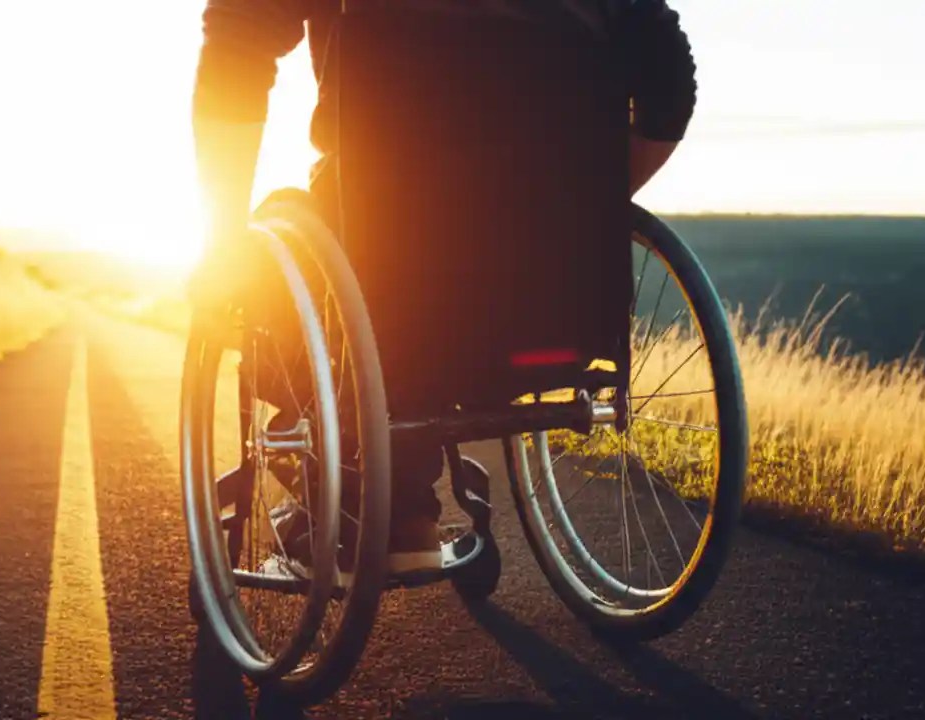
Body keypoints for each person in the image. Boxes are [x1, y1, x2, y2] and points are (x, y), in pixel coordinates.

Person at [191, 0, 698, 575]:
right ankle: (394, 492)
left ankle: (374, 496)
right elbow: (671, 83)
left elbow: (238, 34)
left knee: (282, 235)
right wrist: (582, 208)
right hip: (546, 306)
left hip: (389, 278)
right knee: (402, 290)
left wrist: (222, 242)